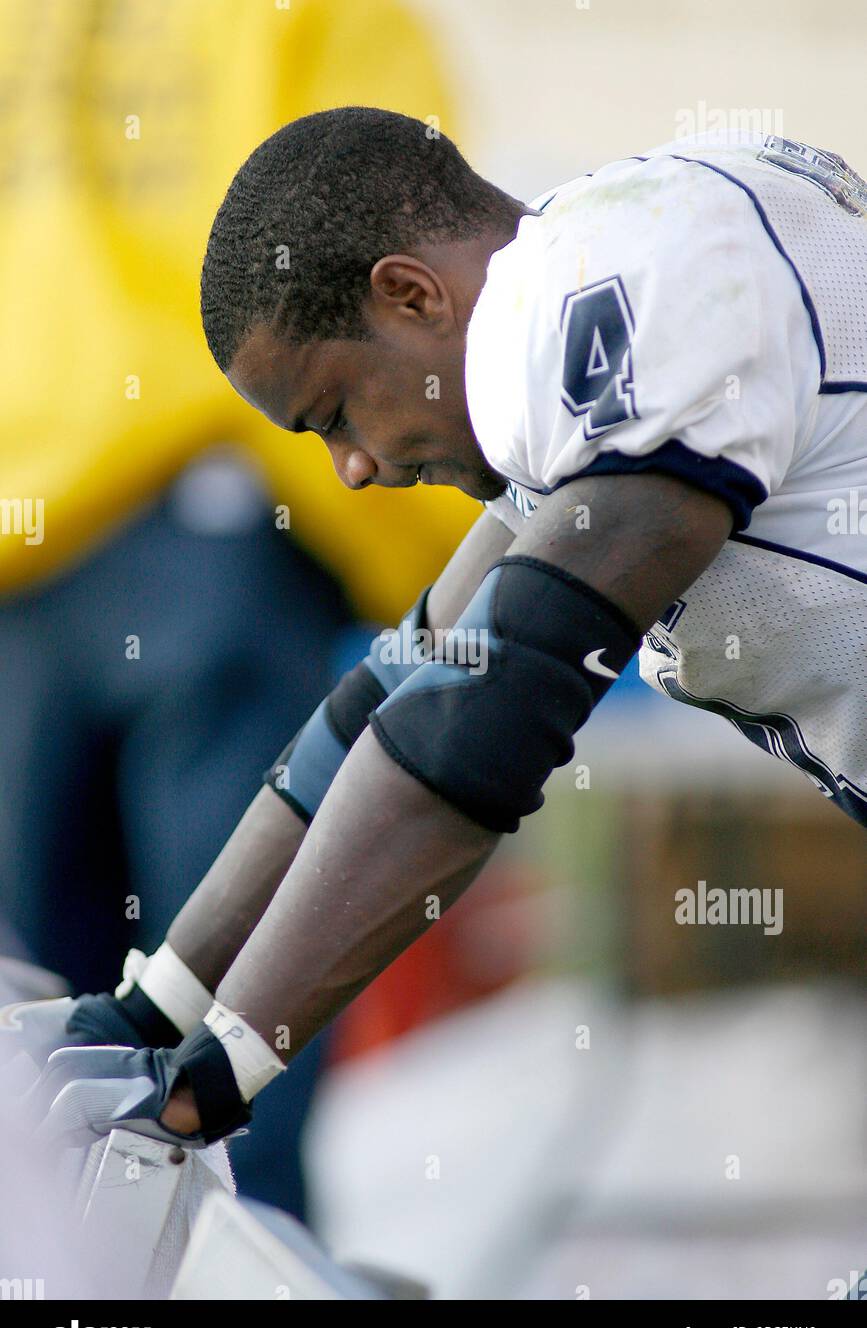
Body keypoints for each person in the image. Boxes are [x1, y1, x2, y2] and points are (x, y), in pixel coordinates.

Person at [11, 109, 867, 1151]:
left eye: (335, 413)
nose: (355, 469)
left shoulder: (618, 286)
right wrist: (153, 1010)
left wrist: (214, 1079)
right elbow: (392, 694)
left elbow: (479, 727)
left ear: (411, 294)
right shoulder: (585, 277)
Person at [0, 6, 473, 1217]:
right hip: (210, 506)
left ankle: (76, 1310)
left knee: (42, 1028)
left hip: (29, 516)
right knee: (230, 1029)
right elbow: (403, 226)